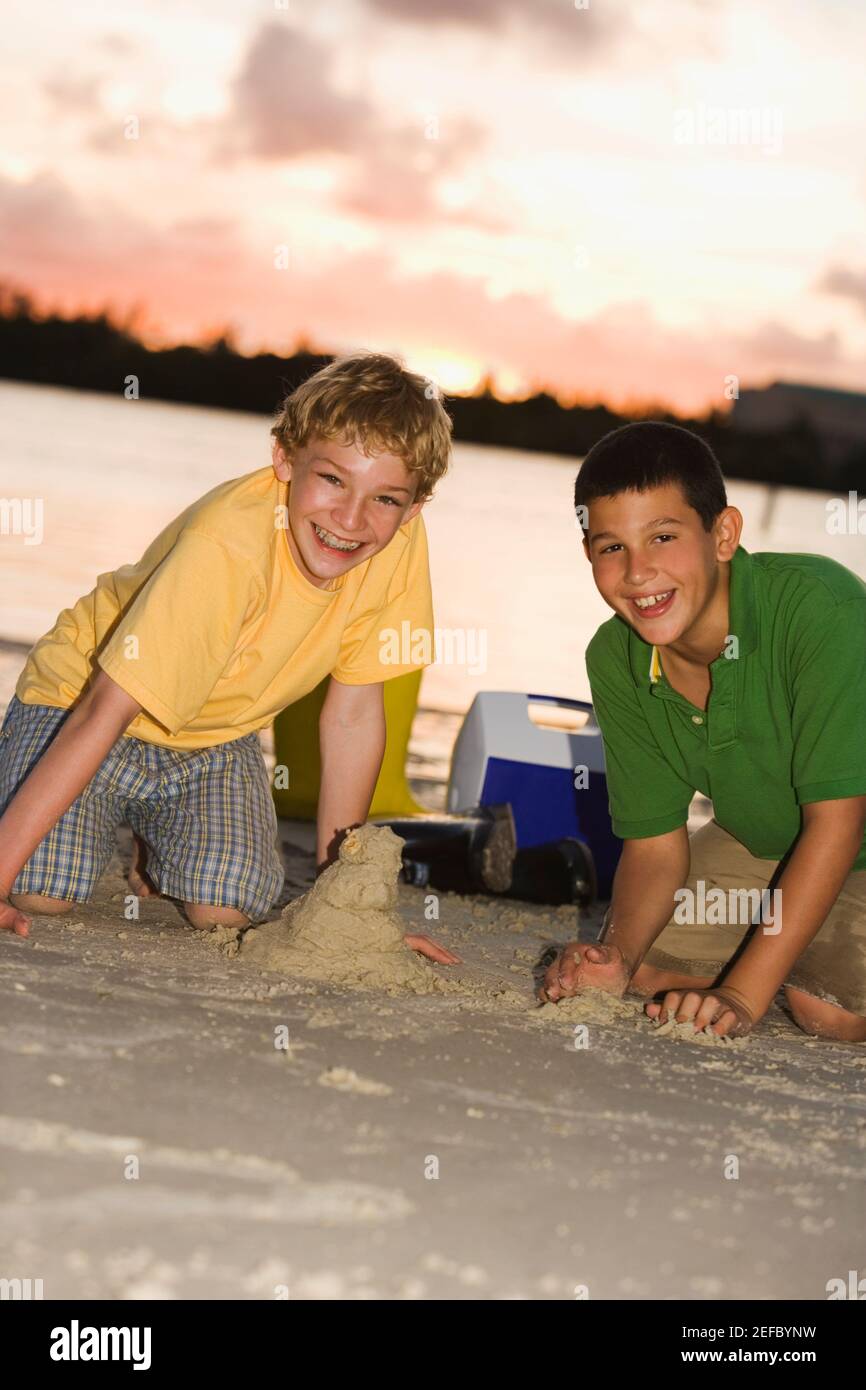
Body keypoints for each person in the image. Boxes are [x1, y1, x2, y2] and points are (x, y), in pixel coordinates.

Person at [0, 351, 458, 966]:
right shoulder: (225, 545)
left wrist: (342, 904)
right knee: (40, 894)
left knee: (227, 909)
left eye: (385, 499)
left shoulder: (397, 545)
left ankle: (154, 840)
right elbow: (104, 710)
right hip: (78, 703)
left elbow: (351, 717)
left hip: (211, 739)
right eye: (332, 479)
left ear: (413, 508)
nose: (351, 520)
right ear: (284, 459)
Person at [542, 422, 866, 1041]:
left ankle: (792, 960)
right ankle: (793, 945)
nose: (638, 573)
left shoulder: (822, 612)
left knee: (823, 1010)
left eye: (663, 537)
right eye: (612, 547)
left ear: (724, 534)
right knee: (646, 975)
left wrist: (743, 995)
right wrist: (615, 956)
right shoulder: (616, 656)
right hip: (766, 842)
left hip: (847, 831)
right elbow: (656, 846)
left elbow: (837, 822)